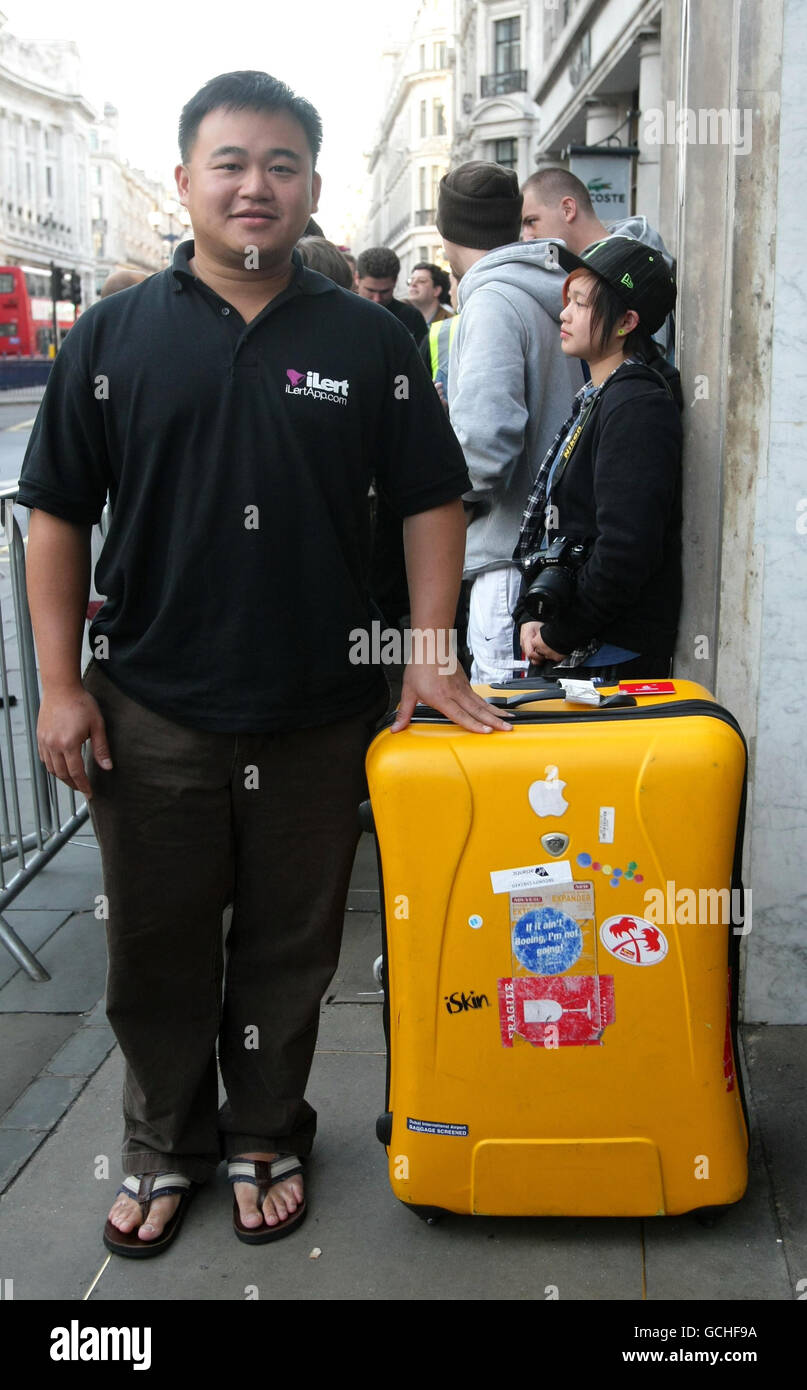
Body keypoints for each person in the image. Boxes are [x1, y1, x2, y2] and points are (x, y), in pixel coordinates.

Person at [18, 70, 510, 1259]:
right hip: (154, 704)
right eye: (230, 163)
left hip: (317, 708)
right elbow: (55, 514)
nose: (255, 186)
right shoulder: (113, 336)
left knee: (291, 947)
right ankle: (161, 1144)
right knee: (155, 945)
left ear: (313, 190)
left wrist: (426, 656)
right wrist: (63, 684)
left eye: (281, 166)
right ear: (185, 182)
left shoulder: (368, 334)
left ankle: (265, 1131)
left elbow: (433, 496)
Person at [436, 160, 580, 684]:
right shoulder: (552, 289)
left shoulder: (493, 301)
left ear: (446, 231)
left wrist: (447, 503)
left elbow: (486, 444)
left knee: (506, 736)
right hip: (552, 560)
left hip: (509, 560)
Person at [514, 235, 682, 681]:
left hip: (607, 657)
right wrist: (535, 615)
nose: (564, 313)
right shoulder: (599, 394)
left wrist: (560, 633)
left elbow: (626, 549)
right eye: (569, 299)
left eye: (582, 304)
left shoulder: (637, 403)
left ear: (627, 321)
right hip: (580, 647)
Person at [520, 168, 675, 360]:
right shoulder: (602, 263)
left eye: (531, 221)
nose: (526, 237)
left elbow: (647, 362)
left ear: (568, 209)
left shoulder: (637, 270)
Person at [356, 247, 427, 345]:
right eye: (370, 290)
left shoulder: (412, 317)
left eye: (384, 292)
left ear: (395, 281)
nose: (377, 299)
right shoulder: (343, 314)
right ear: (357, 278)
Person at [407, 262, 453, 326]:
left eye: (422, 280)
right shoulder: (401, 318)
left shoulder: (450, 322)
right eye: (411, 280)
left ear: (436, 290)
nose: (413, 284)